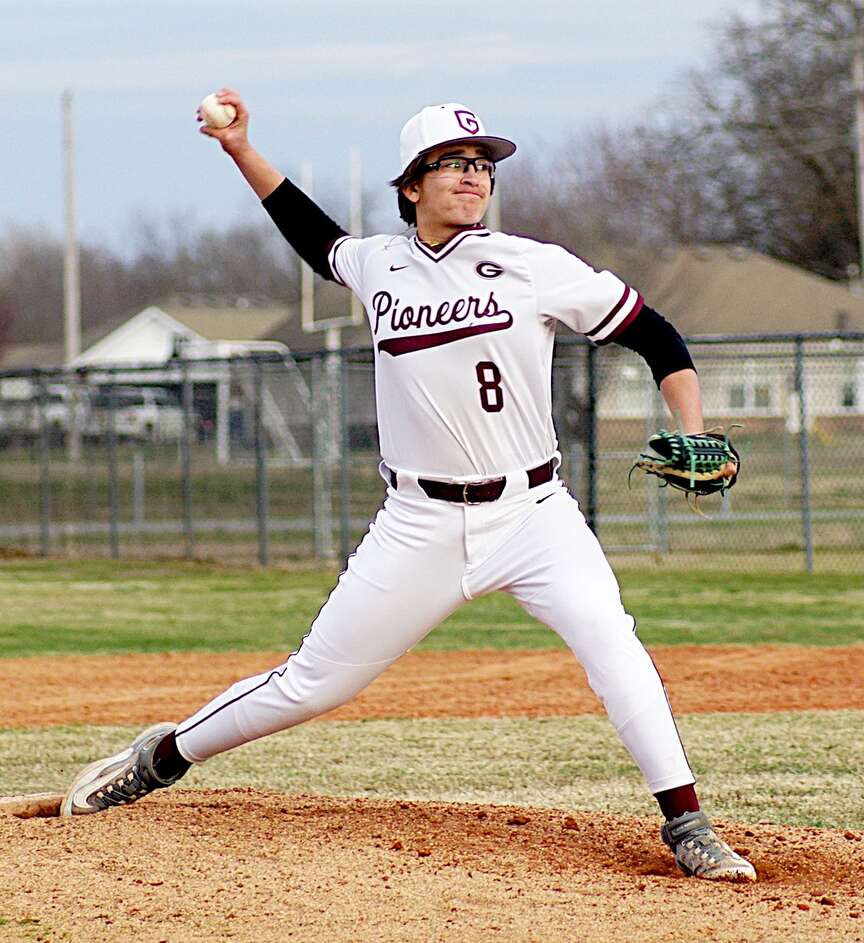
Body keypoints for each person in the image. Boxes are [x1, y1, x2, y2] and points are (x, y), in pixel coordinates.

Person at [62, 91, 756, 883]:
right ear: (411, 186)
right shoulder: (377, 264)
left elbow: (655, 334)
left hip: (535, 514)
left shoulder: (535, 265)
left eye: (482, 165)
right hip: (419, 520)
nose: (472, 177)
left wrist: (695, 425)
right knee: (314, 683)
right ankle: (162, 754)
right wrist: (239, 148)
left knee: (614, 645)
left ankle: (688, 821)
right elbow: (309, 231)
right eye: (452, 164)